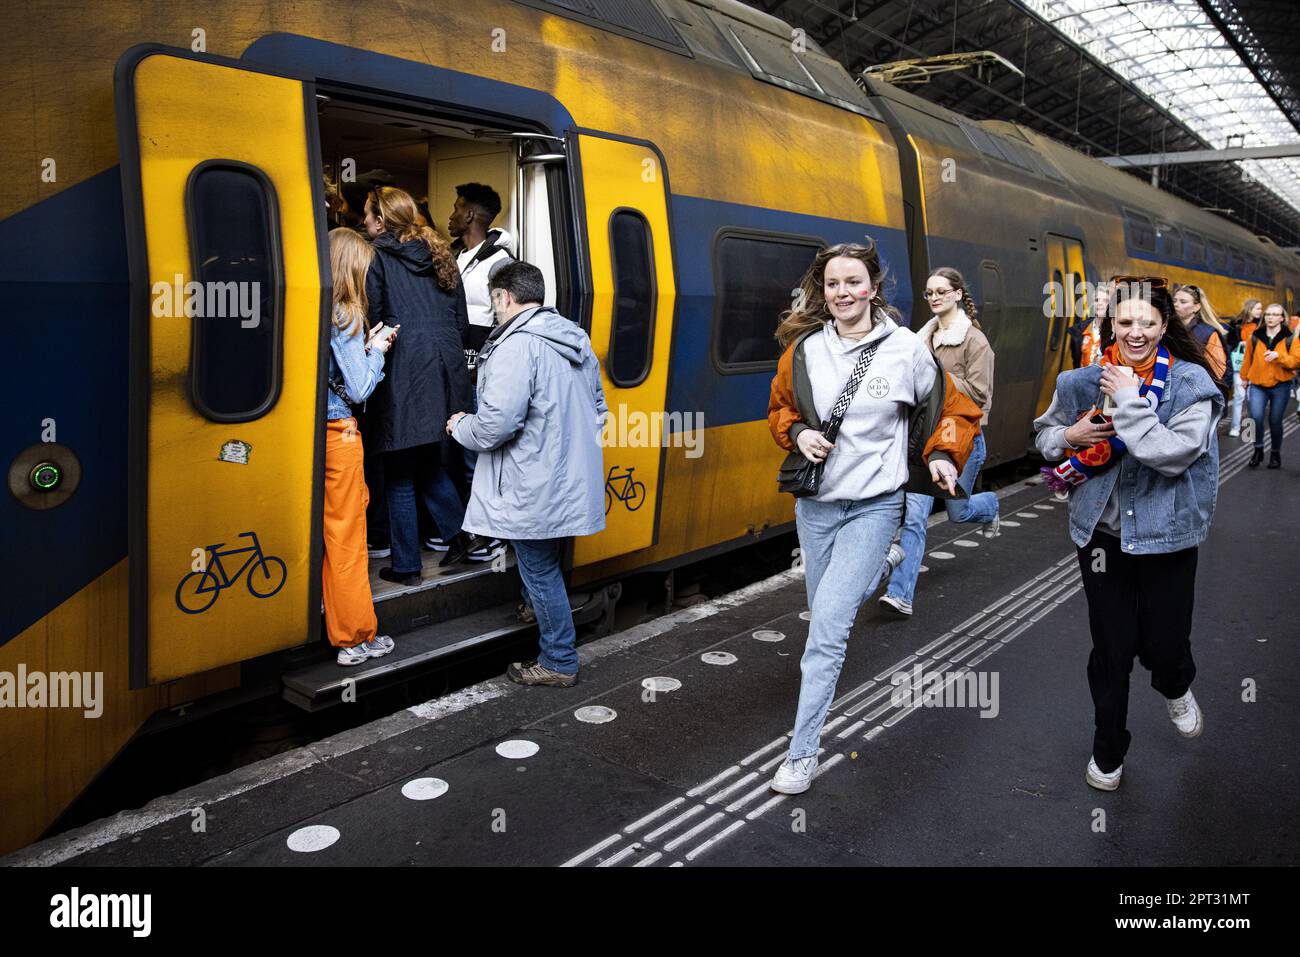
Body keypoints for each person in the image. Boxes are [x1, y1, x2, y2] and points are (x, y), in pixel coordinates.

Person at [765, 241, 982, 795]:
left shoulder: (907, 350)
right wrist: (798, 433)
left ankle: (801, 753)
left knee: (826, 631)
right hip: (815, 507)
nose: (843, 293)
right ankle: (884, 564)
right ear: (823, 291)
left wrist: (940, 455)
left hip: (874, 504)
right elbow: (781, 408)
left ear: (873, 287)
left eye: (853, 282)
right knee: (826, 611)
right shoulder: (804, 349)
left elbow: (954, 410)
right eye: (833, 284)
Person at [1034, 276, 1225, 792]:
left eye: (1148, 322)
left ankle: (1175, 683)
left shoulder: (1191, 384)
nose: (1136, 332)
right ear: (1110, 324)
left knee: (1163, 645)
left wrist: (1130, 400)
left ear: (1166, 326)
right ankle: (1108, 751)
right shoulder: (1080, 382)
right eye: (1125, 322)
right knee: (1112, 648)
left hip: (1168, 536)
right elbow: (1044, 436)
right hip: (1102, 538)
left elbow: (1172, 454)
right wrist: (1068, 436)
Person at [448, 261, 607, 688]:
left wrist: (460, 425)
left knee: (539, 568)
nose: (494, 309)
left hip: (533, 480)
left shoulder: (516, 347)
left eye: (494, 300)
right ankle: (535, 607)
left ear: (504, 297)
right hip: (564, 476)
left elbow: (496, 425)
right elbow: (598, 409)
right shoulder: (573, 338)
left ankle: (558, 661)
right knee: (543, 560)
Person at [363, 186, 476, 582]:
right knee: (426, 457)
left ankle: (408, 565)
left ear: (381, 219)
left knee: (396, 468)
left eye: (367, 215)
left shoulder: (377, 256)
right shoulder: (442, 252)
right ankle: (462, 535)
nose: (364, 222)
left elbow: (374, 319)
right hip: (445, 371)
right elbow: (461, 322)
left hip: (404, 371)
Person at [880, 267, 999, 618]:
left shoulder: (975, 342)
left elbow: (980, 396)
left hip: (963, 440)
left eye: (942, 292)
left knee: (958, 513)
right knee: (914, 517)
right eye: (929, 292)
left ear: (958, 295)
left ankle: (989, 506)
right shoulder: (922, 339)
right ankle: (900, 594)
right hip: (925, 442)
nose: (934, 298)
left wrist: (937, 378)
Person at [324, 230, 398, 665]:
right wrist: (377, 350)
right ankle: (355, 638)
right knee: (347, 538)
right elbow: (360, 385)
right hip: (340, 433)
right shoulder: (345, 312)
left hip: (311, 434)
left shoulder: (310, 305)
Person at [1241, 302, 1300, 469]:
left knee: (1275, 420)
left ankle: (1275, 453)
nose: (1270, 317)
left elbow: (1296, 361)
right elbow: (1247, 359)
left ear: (1282, 318)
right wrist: (1244, 378)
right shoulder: (1255, 336)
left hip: (1281, 385)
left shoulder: (1290, 338)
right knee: (1255, 418)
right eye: (1268, 314)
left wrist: (1278, 356)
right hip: (1258, 384)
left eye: (1275, 315)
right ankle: (1257, 449)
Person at [1173, 284, 1229, 385]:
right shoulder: (1167, 329)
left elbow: (1217, 371)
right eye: (1174, 300)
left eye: (1183, 302)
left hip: (1196, 390)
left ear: (1196, 307)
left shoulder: (1207, 333)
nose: (1176, 304)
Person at [1227, 299, 1262, 437]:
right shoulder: (1235, 323)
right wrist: (1240, 344)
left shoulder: (1262, 325)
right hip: (1239, 364)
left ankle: (1249, 430)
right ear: (1250, 309)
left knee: (1252, 397)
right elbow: (1229, 342)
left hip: (1257, 366)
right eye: (1258, 308)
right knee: (1239, 396)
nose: (1261, 311)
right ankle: (1235, 427)